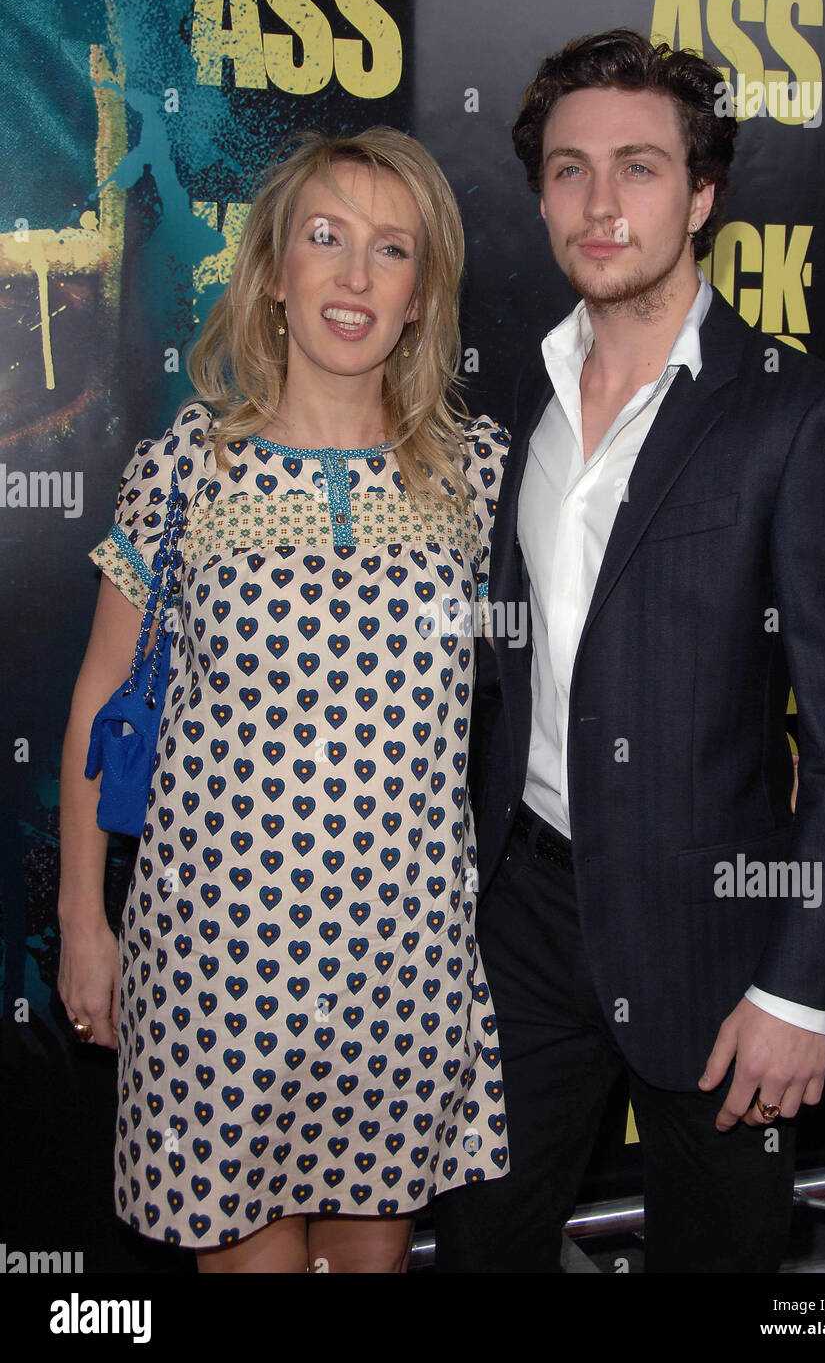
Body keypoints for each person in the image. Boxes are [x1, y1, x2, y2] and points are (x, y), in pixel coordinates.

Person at [433, 30, 825, 1273]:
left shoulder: (804, 417)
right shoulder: (516, 409)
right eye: (570, 170)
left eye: (638, 168)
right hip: (522, 913)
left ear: (702, 196)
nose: (600, 203)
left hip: (718, 934)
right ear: (539, 195)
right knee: (484, 1245)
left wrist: (801, 992)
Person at [57, 126, 510, 1273]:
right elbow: (101, 696)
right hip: (219, 973)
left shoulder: (479, 472)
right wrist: (81, 922)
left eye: (391, 250)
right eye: (326, 239)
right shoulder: (187, 470)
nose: (356, 277)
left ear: (421, 295)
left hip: (402, 968)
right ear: (273, 274)